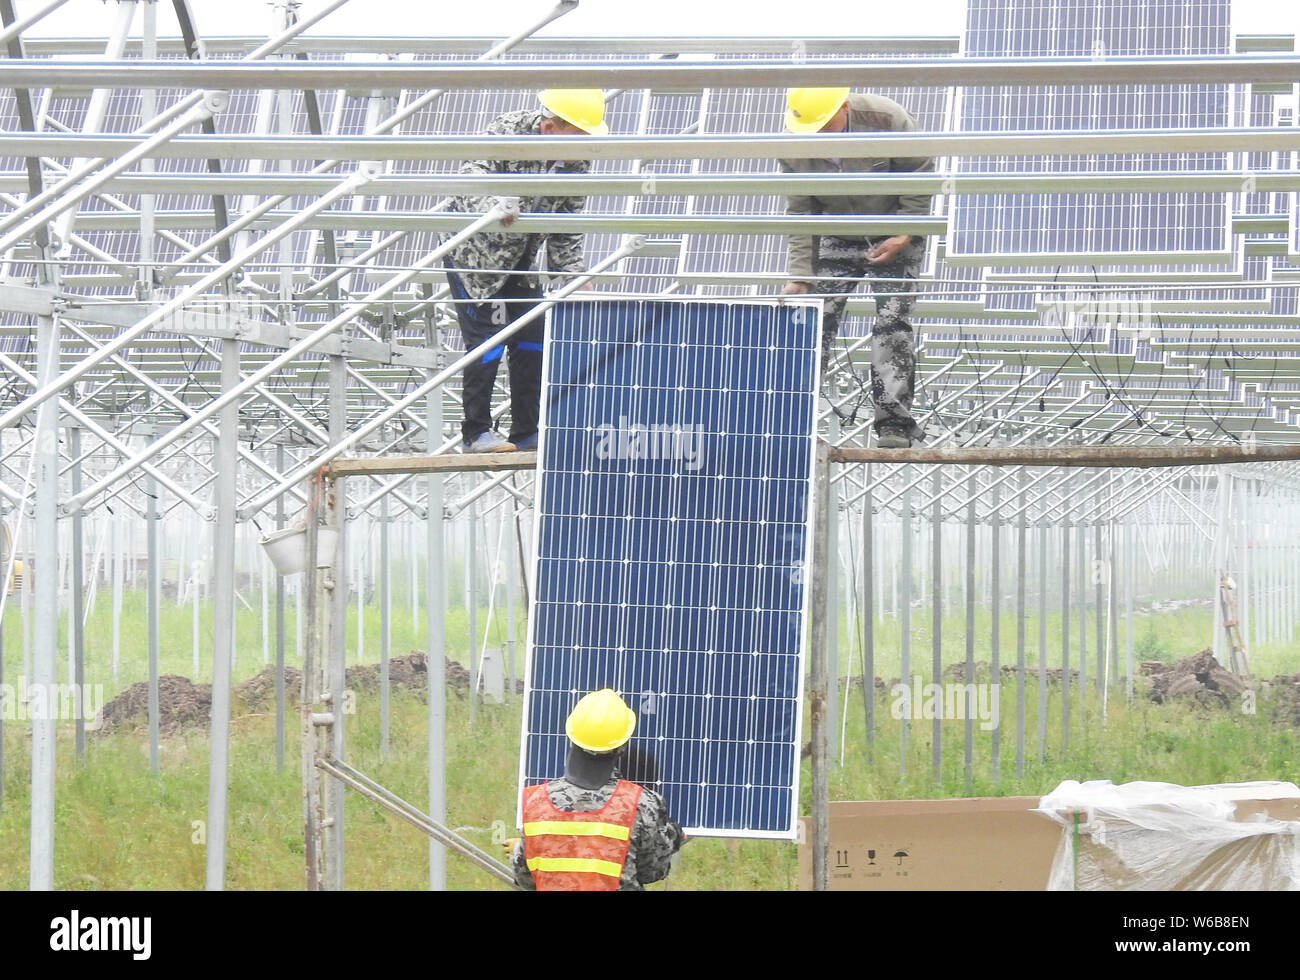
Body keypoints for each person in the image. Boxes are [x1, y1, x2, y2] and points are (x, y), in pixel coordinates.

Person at [443, 89, 606, 454]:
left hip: (521, 259)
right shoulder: (508, 131)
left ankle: (525, 432)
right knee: (487, 340)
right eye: (580, 137)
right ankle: (475, 433)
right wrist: (493, 204)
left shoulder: (576, 166)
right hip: (475, 258)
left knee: (533, 337)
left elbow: (567, 226)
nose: (586, 148)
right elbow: (472, 174)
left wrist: (575, 276)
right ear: (550, 128)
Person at [778, 87, 935, 448]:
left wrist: (905, 232)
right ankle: (791, 414)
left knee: (891, 323)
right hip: (836, 233)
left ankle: (892, 422)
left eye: (825, 125)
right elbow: (801, 212)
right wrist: (800, 275)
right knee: (815, 321)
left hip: (894, 232)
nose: (817, 135)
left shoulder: (888, 119)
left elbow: (920, 174)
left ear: (845, 108)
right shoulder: (793, 144)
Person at [511, 689, 685, 891]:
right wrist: (674, 836)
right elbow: (652, 871)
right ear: (622, 747)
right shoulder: (641, 805)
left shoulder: (535, 802)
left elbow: (524, 876)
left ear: (572, 737)